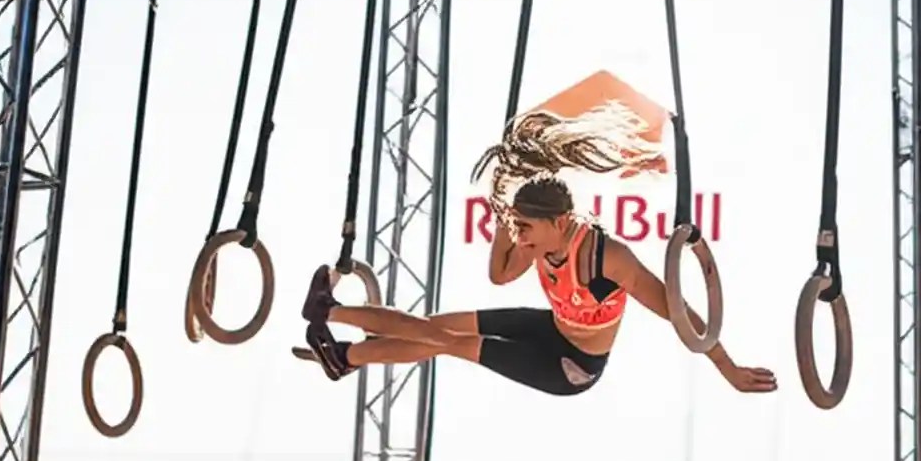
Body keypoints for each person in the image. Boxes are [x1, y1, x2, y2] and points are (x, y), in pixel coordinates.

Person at [300, 106, 776, 396]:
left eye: (525, 228)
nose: (521, 237)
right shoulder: (537, 242)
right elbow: (500, 275)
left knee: (445, 342)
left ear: (560, 222)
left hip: (571, 368)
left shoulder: (607, 258)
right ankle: (332, 320)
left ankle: (342, 345)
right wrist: (504, 215)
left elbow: (679, 312)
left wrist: (728, 368)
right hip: (552, 328)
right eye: (517, 228)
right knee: (437, 326)